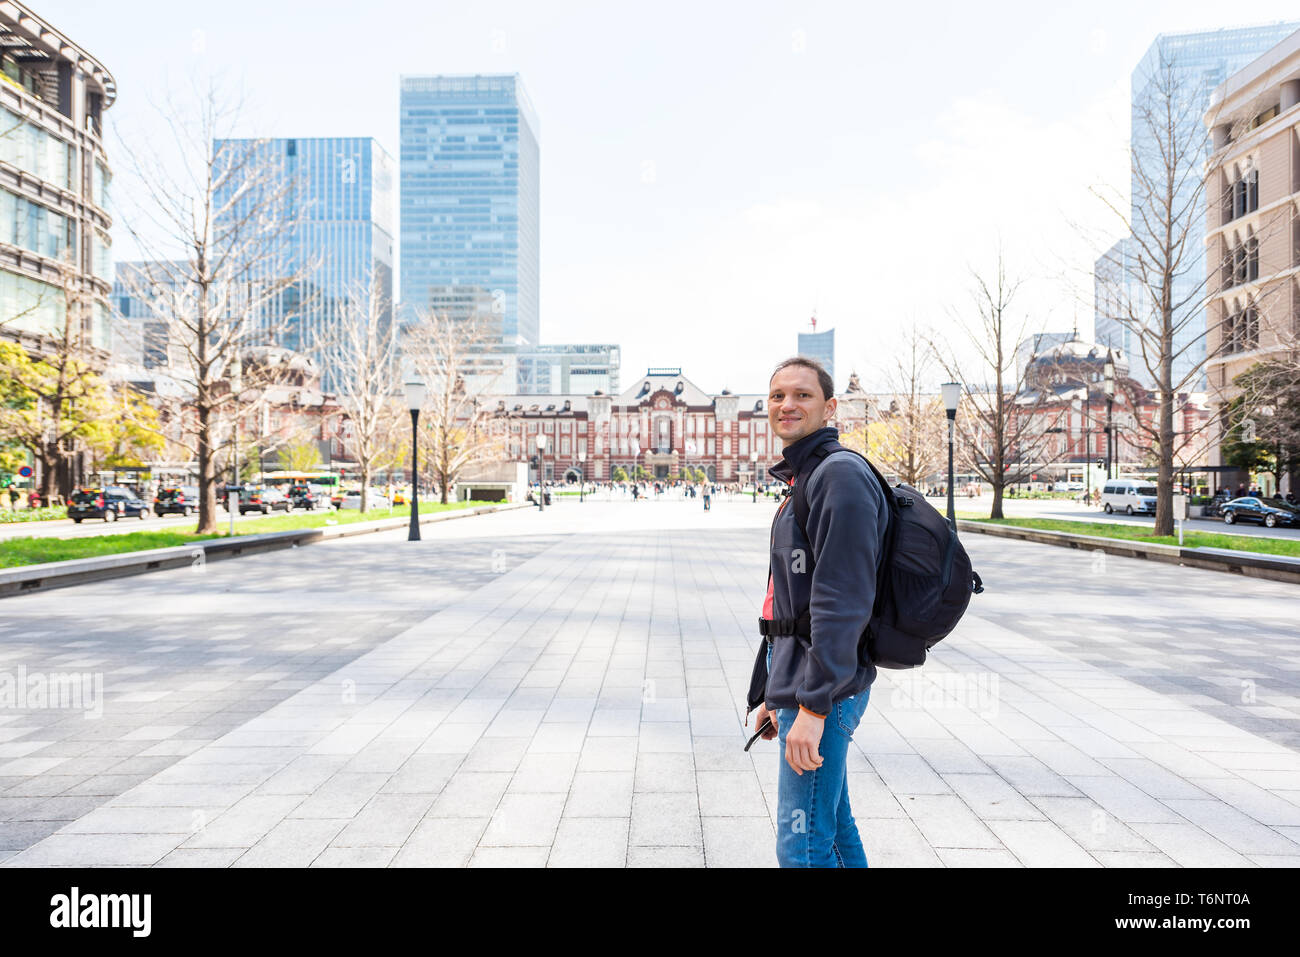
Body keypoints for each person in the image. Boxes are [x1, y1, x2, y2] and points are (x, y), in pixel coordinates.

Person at [745, 356, 887, 868]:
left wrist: (812, 708)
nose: (787, 404)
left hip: (825, 689)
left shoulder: (838, 475)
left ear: (829, 407)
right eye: (778, 394)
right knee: (833, 827)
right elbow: (787, 601)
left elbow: (841, 601)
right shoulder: (808, 476)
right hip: (807, 683)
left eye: (802, 395)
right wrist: (772, 693)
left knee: (801, 844)